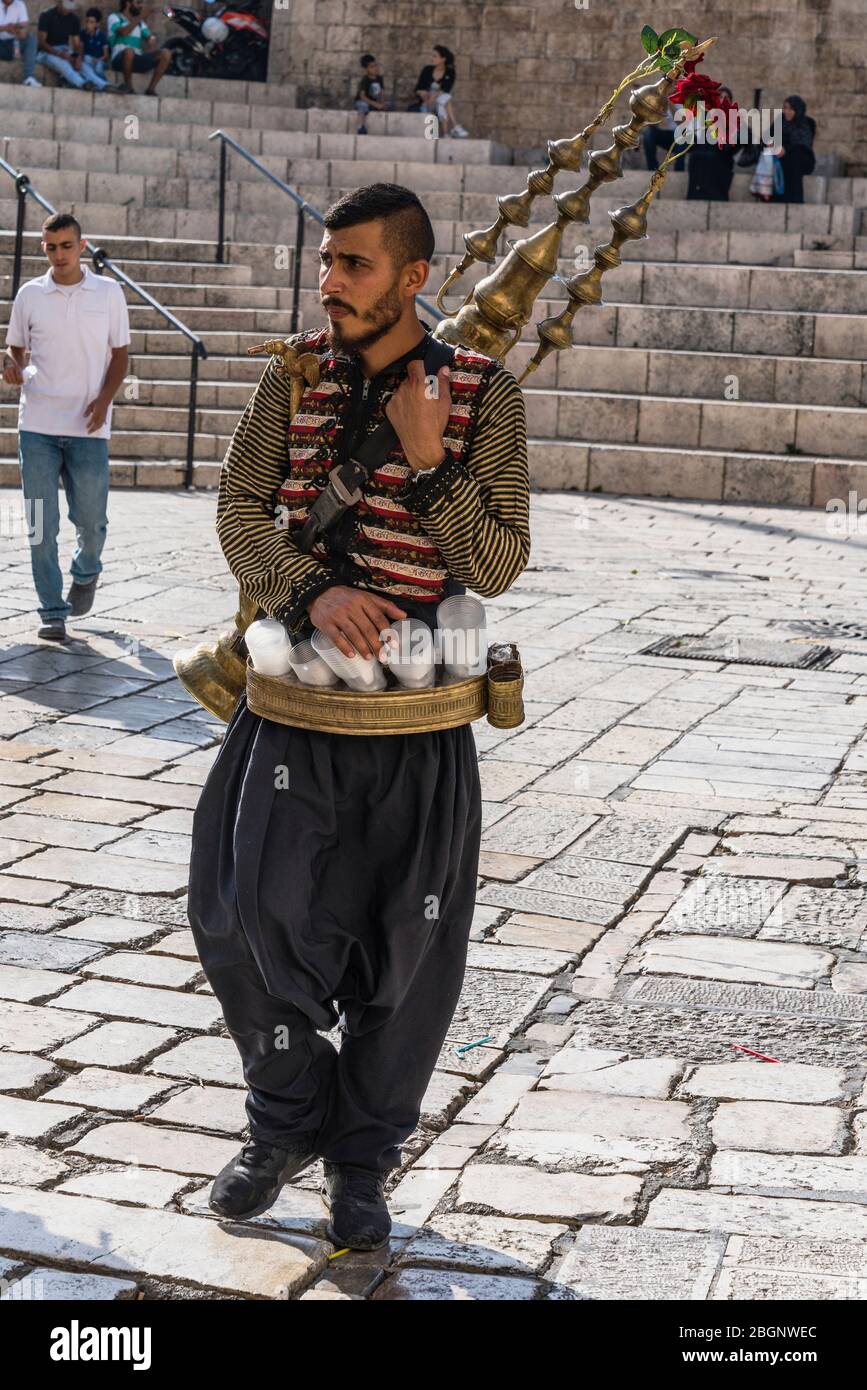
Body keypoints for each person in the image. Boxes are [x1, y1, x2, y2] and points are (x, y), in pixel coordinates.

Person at [187, 182, 530, 1250]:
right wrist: (312, 591)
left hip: (417, 732)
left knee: (407, 951)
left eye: (355, 266)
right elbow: (241, 509)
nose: (328, 284)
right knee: (238, 912)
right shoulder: (290, 379)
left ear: (415, 276)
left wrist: (428, 458)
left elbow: (497, 562)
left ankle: (364, 1163)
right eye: (328, 264)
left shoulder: (484, 393)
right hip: (289, 714)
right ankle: (284, 1118)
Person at [2, 212, 130, 642]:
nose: (59, 254)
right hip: (36, 424)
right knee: (40, 523)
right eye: (51, 247)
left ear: (82, 245)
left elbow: (120, 355)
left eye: (66, 245)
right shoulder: (30, 294)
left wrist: (104, 399)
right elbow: (16, 349)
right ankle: (51, 611)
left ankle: (86, 570)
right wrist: (13, 368)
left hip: (89, 427)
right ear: (44, 248)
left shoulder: (109, 292)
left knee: (92, 521)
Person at [37, 0, 109, 88]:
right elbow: (42, 43)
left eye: (70, 5)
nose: (68, 8)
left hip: (65, 50)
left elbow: (77, 44)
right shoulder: (46, 16)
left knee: (84, 66)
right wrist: (59, 54)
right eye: (66, 4)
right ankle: (83, 84)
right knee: (64, 65)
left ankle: (104, 85)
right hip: (46, 52)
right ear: (59, 2)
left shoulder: (74, 19)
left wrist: (78, 57)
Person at [107, 0, 170, 94]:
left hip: (136, 60)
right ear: (128, 3)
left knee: (165, 53)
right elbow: (123, 32)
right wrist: (140, 17)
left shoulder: (140, 23)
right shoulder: (115, 17)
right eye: (138, 2)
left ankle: (151, 89)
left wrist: (152, 43)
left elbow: (151, 39)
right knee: (129, 51)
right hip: (119, 60)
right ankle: (129, 86)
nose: (141, 6)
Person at [686, 86, 737, 201]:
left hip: (724, 155)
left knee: (706, 158)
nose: (724, 100)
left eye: (727, 98)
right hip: (707, 153)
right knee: (696, 157)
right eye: (721, 97)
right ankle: (693, 195)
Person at [412, 43, 468, 138]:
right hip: (426, 103)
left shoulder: (450, 72)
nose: (432, 58)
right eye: (432, 56)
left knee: (443, 101)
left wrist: (434, 96)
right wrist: (422, 93)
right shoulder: (427, 70)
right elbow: (417, 89)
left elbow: (446, 89)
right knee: (445, 100)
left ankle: (446, 134)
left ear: (443, 59)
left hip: (438, 102)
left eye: (435, 56)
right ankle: (455, 127)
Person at [772, 95, 816, 204]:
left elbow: (804, 144)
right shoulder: (780, 120)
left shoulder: (808, 123)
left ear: (798, 110)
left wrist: (785, 149)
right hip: (781, 156)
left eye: (791, 109)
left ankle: (795, 199)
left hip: (802, 157)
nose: (787, 111)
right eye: (785, 108)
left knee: (794, 156)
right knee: (784, 160)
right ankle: (780, 198)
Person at [0, 0, 42, 86]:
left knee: (31, 39)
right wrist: (5, 28)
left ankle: (29, 78)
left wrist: (20, 31)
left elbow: (24, 27)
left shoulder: (20, 5)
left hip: (12, 43)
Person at [80, 4, 108, 81]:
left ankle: (104, 83)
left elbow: (106, 56)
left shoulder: (102, 36)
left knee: (98, 68)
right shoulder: (83, 34)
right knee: (86, 59)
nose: (89, 24)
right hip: (88, 60)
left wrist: (98, 59)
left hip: (100, 60)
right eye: (87, 21)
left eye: (92, 22)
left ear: (97, 24)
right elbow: (81, 51)